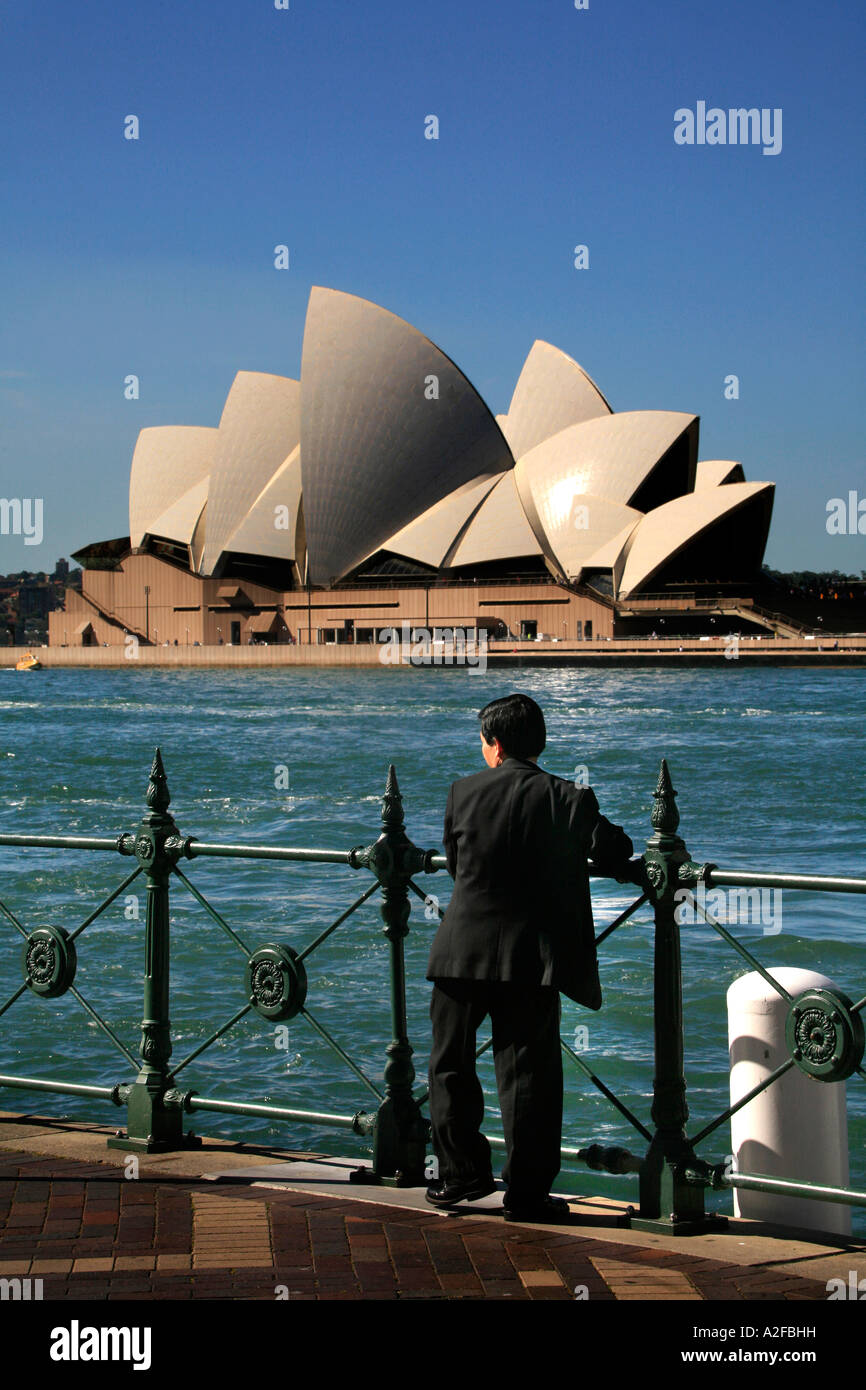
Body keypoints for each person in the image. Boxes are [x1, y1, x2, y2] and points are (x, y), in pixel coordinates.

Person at [425, 692, 634, 1221]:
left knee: (449, 1068)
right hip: (529, 959)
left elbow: (456, 864)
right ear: (538, 743)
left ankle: (460, 1177)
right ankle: (527, 1194)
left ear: (492, 745)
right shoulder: (569, 797)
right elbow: (615, 850)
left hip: (458, 952)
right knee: (528, 1078)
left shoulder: (461, 793)